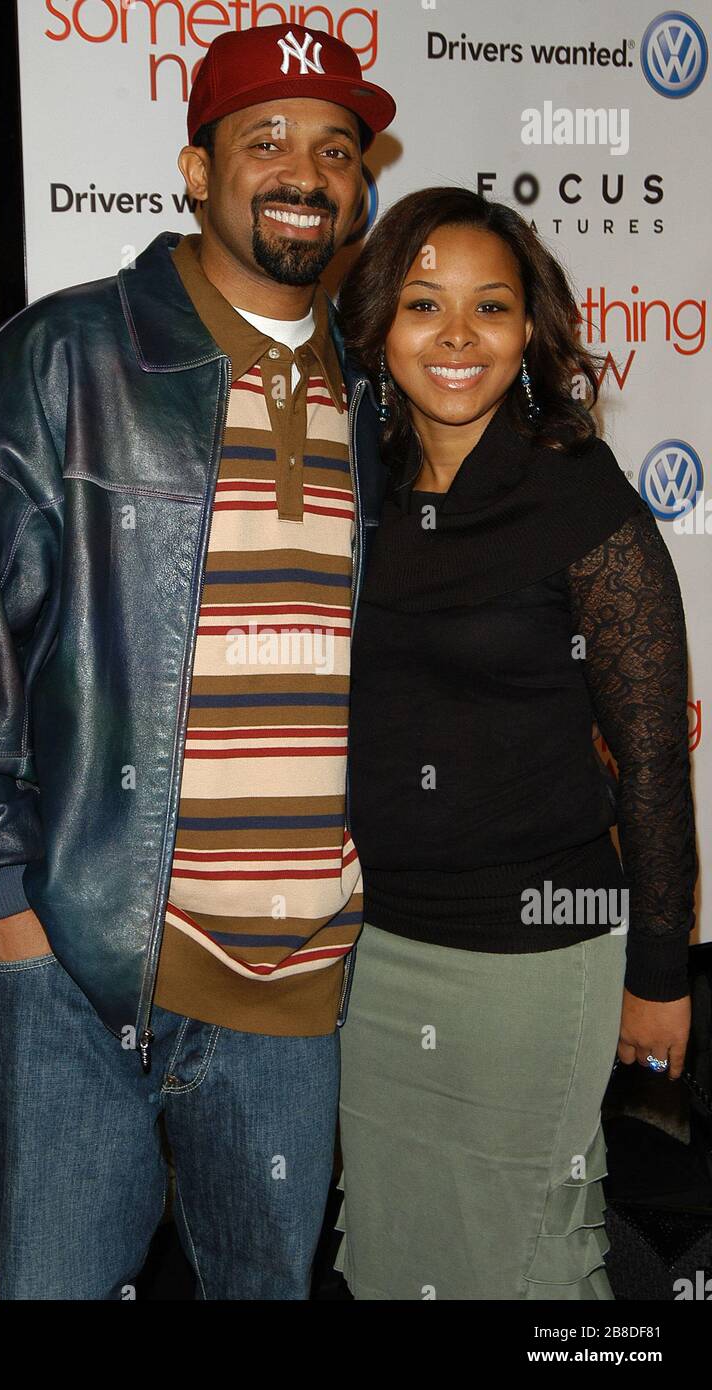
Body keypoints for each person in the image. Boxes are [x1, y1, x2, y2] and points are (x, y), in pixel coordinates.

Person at [0, 23, 395, 1300]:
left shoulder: (383, 398)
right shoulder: (62, 362)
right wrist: (9, 919)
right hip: (77, 978)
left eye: (334, 146)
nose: (304, 171)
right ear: (195, 174)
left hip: (303, 983)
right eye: (264, 139)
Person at [331, 187, 698, 1300]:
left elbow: (652, 763)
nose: (455, 336)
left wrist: (660, 975)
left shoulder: (580, 499)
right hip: (372, 951)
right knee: (395, 1248)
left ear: (530, 329)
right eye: (423, 303)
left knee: (528, 1257)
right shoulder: (361, 491)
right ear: (379, 326)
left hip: (538, 951)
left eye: (489, 306)